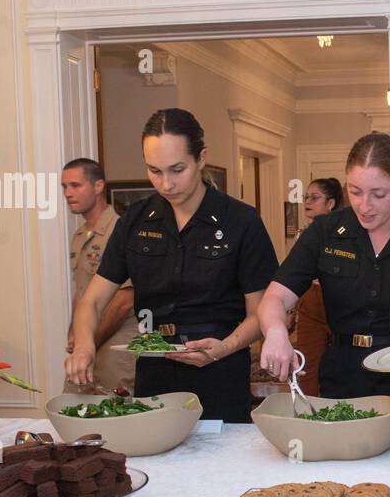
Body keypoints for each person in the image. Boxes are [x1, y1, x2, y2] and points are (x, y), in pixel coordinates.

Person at [65, 108, 278, 422]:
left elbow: (261, 313)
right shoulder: (135, 221)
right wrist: (84, 346)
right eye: (155, 171)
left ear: (201, 158)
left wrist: (222, 347)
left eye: (177, 170)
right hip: (154, 369)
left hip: (220, 370)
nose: (166, 184)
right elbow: (92, 301)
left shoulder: (241, 221)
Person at [259, 133, 390, 421]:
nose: (364, 205)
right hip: (345, 377)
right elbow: (275, 296)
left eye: (379, 194)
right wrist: (275, 332)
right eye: (355, 191)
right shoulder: (324, 233)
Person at [62, 157, 137, 396]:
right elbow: (82, 291)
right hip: (88, 343)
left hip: (116, 344)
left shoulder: (120, 230)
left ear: (98, 186)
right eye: (64, 187)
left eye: (76, 185)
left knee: (115, 419)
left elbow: (124, 301)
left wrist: (89, 341)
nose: (68, 193)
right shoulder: (81, 235)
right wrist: (75, 334)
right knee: (73, 411)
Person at [292, 177, 343, 396]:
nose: (308, 202)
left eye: (315, 197)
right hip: (310, 302)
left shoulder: (344, 233)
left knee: (341, 364)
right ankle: (308, 415)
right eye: (306, 197)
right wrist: (289, 310)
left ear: (330, 203)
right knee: (307, 364)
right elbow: (293, 277)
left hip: (339, 300)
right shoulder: (302, 234)